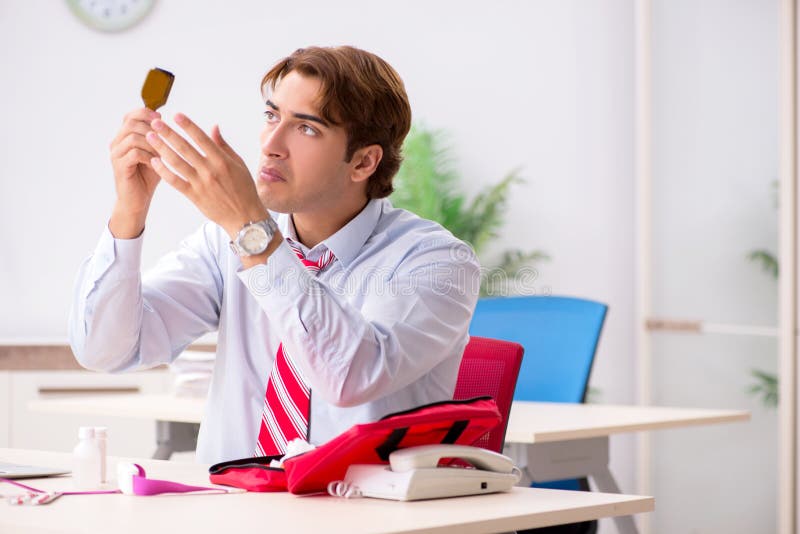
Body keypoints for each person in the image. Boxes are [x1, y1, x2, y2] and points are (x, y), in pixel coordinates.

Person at [68, 45, 480, 464]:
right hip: (233, 511)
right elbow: (106, 350)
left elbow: (349, 377)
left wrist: (251, 229)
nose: (270, 144)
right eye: (271, 116)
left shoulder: (436, 261)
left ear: (363, 162)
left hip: (361, 518)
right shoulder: (225, 241)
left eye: (306, 128)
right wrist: (129, 210)